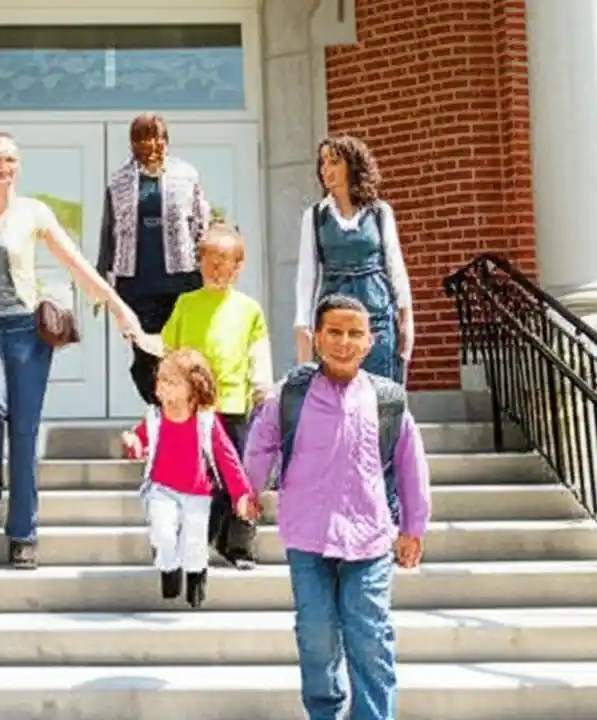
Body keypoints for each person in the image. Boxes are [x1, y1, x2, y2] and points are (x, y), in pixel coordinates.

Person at [0, 131, 144, 570]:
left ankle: (23, 531)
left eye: (11, 160)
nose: (4, 167)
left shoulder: (33, 212)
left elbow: (76, 263)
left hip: (27, 331)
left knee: (25, 430)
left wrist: (119, 306)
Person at [244, 294, 431, 720]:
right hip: (307, 536)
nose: (343, 342)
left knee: (369, 636)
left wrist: (413, 527)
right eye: (334, 332)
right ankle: (324, 712)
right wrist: (248, 492)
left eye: (354, 334)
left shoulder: (387, 400)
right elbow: (262, 443)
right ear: (316, 337)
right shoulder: (290, 394)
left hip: (369, 540)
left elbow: (410, 464)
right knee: (316, 634)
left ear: (370, 342)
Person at [132, 221, 273, 570]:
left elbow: (259, 351)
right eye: (210, 258)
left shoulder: (248, 309)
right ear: (200, 262)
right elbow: (167, 347)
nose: (217, 267)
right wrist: (136, 335)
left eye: (226, 259)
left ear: (239, 265)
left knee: (237, 478)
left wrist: (263, 388)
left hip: (234, 405)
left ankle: (238, 545)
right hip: (194, 412)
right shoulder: (186, 303)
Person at [120, 349, 258, 608]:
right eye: (160, 381)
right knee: (163, 533)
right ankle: (169, 570)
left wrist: (241, 493)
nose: (162, 389)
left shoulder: (205, 421)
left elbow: (227, 458)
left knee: (194, 542)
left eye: (170, 383)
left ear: (193, 388)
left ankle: (196, 578)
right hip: (161, 489)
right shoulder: (156, 418)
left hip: (197, 492)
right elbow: (139, 436)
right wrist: (132, 440)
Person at [96, 112, 209, 405]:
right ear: (133, 143)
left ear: (166, 139)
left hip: (182, 280)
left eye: (156, 135)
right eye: (142, 137)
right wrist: (101, 282)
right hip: (137, 284)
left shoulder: (187, 174)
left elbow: (202, 224)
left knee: (184, 354)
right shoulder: (119, 180)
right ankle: (159, 410)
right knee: (146, 357)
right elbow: (109, 231)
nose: (150, 143)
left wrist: (209, 268)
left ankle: (188, 415)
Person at [293, 135, 414, 383]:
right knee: (335, 394)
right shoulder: (315, 217)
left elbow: (395, 266)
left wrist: (406, 320)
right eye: (323, 163)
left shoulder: (380, 212)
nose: (326, 169)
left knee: (381, 392)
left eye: (334, 162)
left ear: (353, 165)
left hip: (377, 313)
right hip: (333, 315)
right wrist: (302, 324)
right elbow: (307, 275)